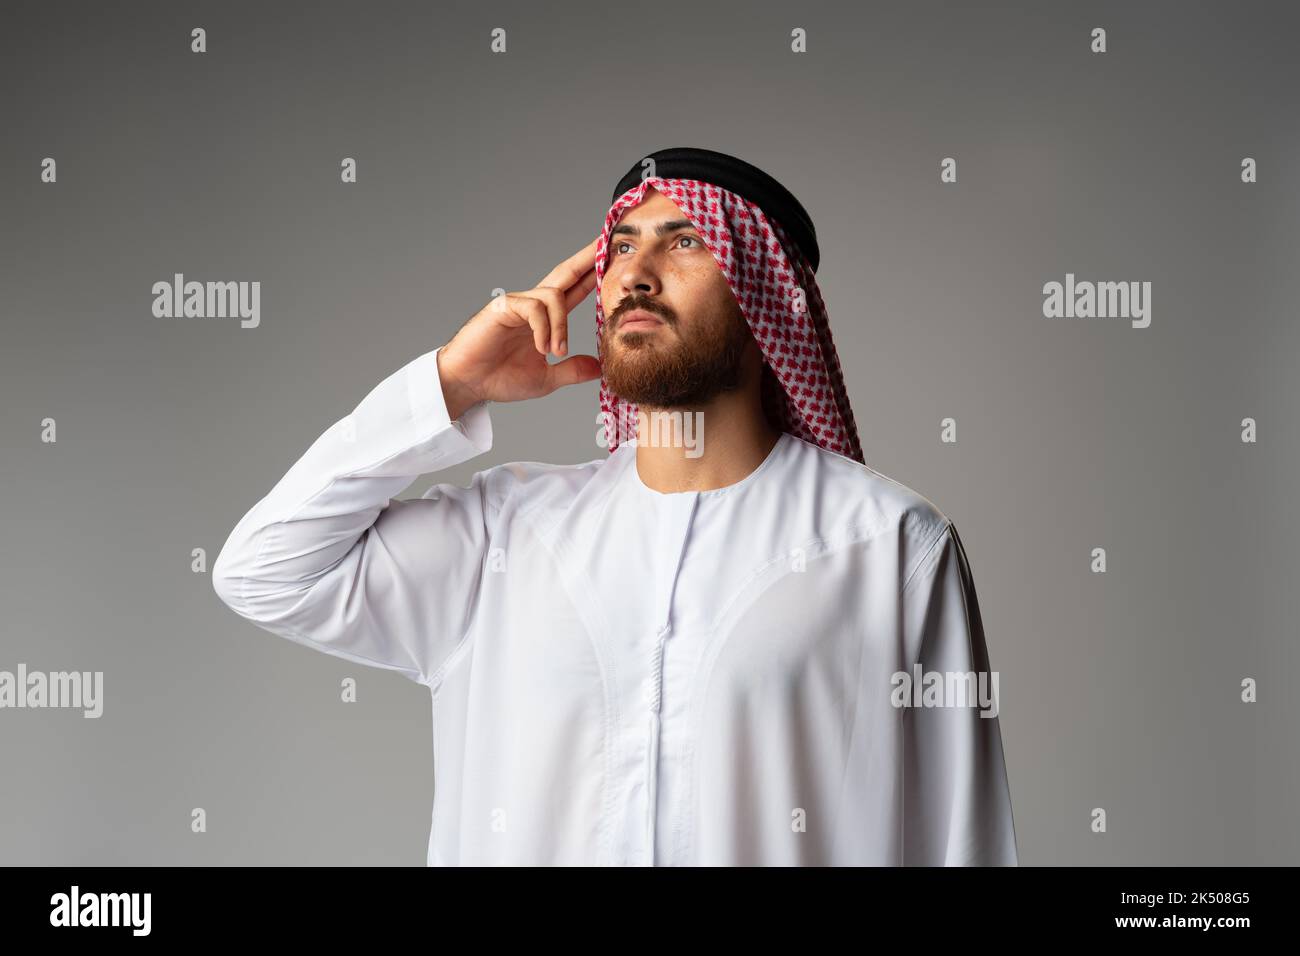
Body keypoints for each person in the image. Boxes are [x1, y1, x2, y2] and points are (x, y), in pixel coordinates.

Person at [212, 147, 1019, 866]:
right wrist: (451, 386)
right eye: (622, 246)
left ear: (768, 294)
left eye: (685, 241)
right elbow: (263, 572)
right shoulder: (507, 532)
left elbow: (964, 840)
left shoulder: (889, 547)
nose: (634, 273)